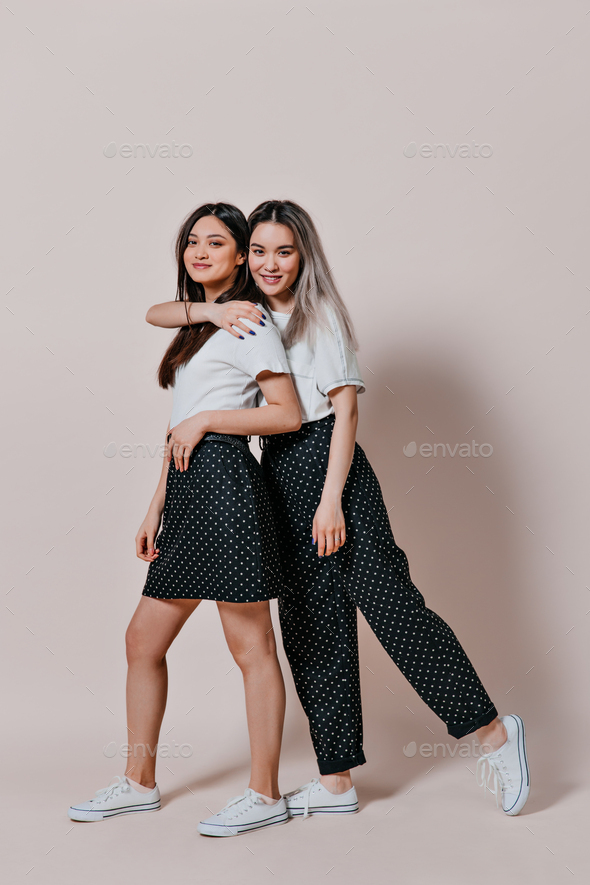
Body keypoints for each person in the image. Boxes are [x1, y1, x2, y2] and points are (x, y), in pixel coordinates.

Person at [145, 199, 530, 819]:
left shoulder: (320, 316)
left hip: (333, 471)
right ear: (248, 256)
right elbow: (160, 313)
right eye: (262, 251)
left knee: (391, 606)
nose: (271, 264)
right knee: (310, 622)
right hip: (275, 472)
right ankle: (335, 780)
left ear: (305, 257)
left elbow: (345, 412)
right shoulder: (246, 316)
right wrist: (211, 307)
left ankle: (494, 734)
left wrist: (331, 502)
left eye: (285, 251)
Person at [68, 202, 302, 838]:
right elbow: (157, 316)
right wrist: (158, 503)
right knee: (143, 642)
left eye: (217, 243)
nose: (200, 253)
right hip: (189, 487)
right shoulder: (203, 323)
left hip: (226, 485)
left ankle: (265, 794)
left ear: (240, 254)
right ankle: (140, 783)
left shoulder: (250, 323)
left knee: (250, 646)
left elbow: (285, 414)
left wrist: (203, 423)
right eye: (192, 242)